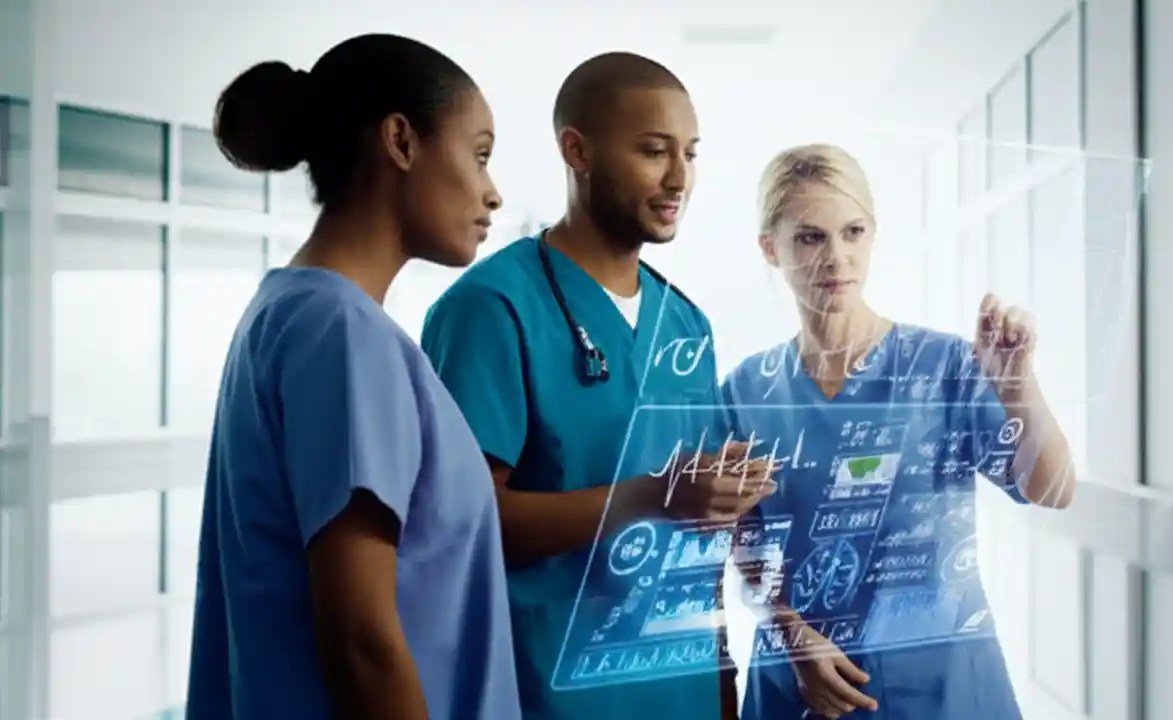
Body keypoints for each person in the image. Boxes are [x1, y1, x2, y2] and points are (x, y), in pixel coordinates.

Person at [419, 52, 773, 720]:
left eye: (690, 154)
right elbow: (463, 523)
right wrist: (649, 495)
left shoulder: (686, 322)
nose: (678, 179)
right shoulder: (492, 308)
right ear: (576, 151)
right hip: (552, 693)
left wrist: (724, 689)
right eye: (652, 151)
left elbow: (702, 538)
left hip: (685, 690)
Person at [186, 34, 520, 720]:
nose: (492, 191)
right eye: (479, 154)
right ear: (400, 140)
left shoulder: (290, 311)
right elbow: (361, 644)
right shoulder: (339, 332)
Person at [721, 144, 1078, 719]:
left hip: (941, 682)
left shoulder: (943, 366)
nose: (836, 257)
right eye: (810, 237)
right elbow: (743, 539)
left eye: (853, 232)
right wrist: (788, 633)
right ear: (770, 248)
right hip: (803, 683)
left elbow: (1054, 490)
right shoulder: (745, 390)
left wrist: (1019, 391)